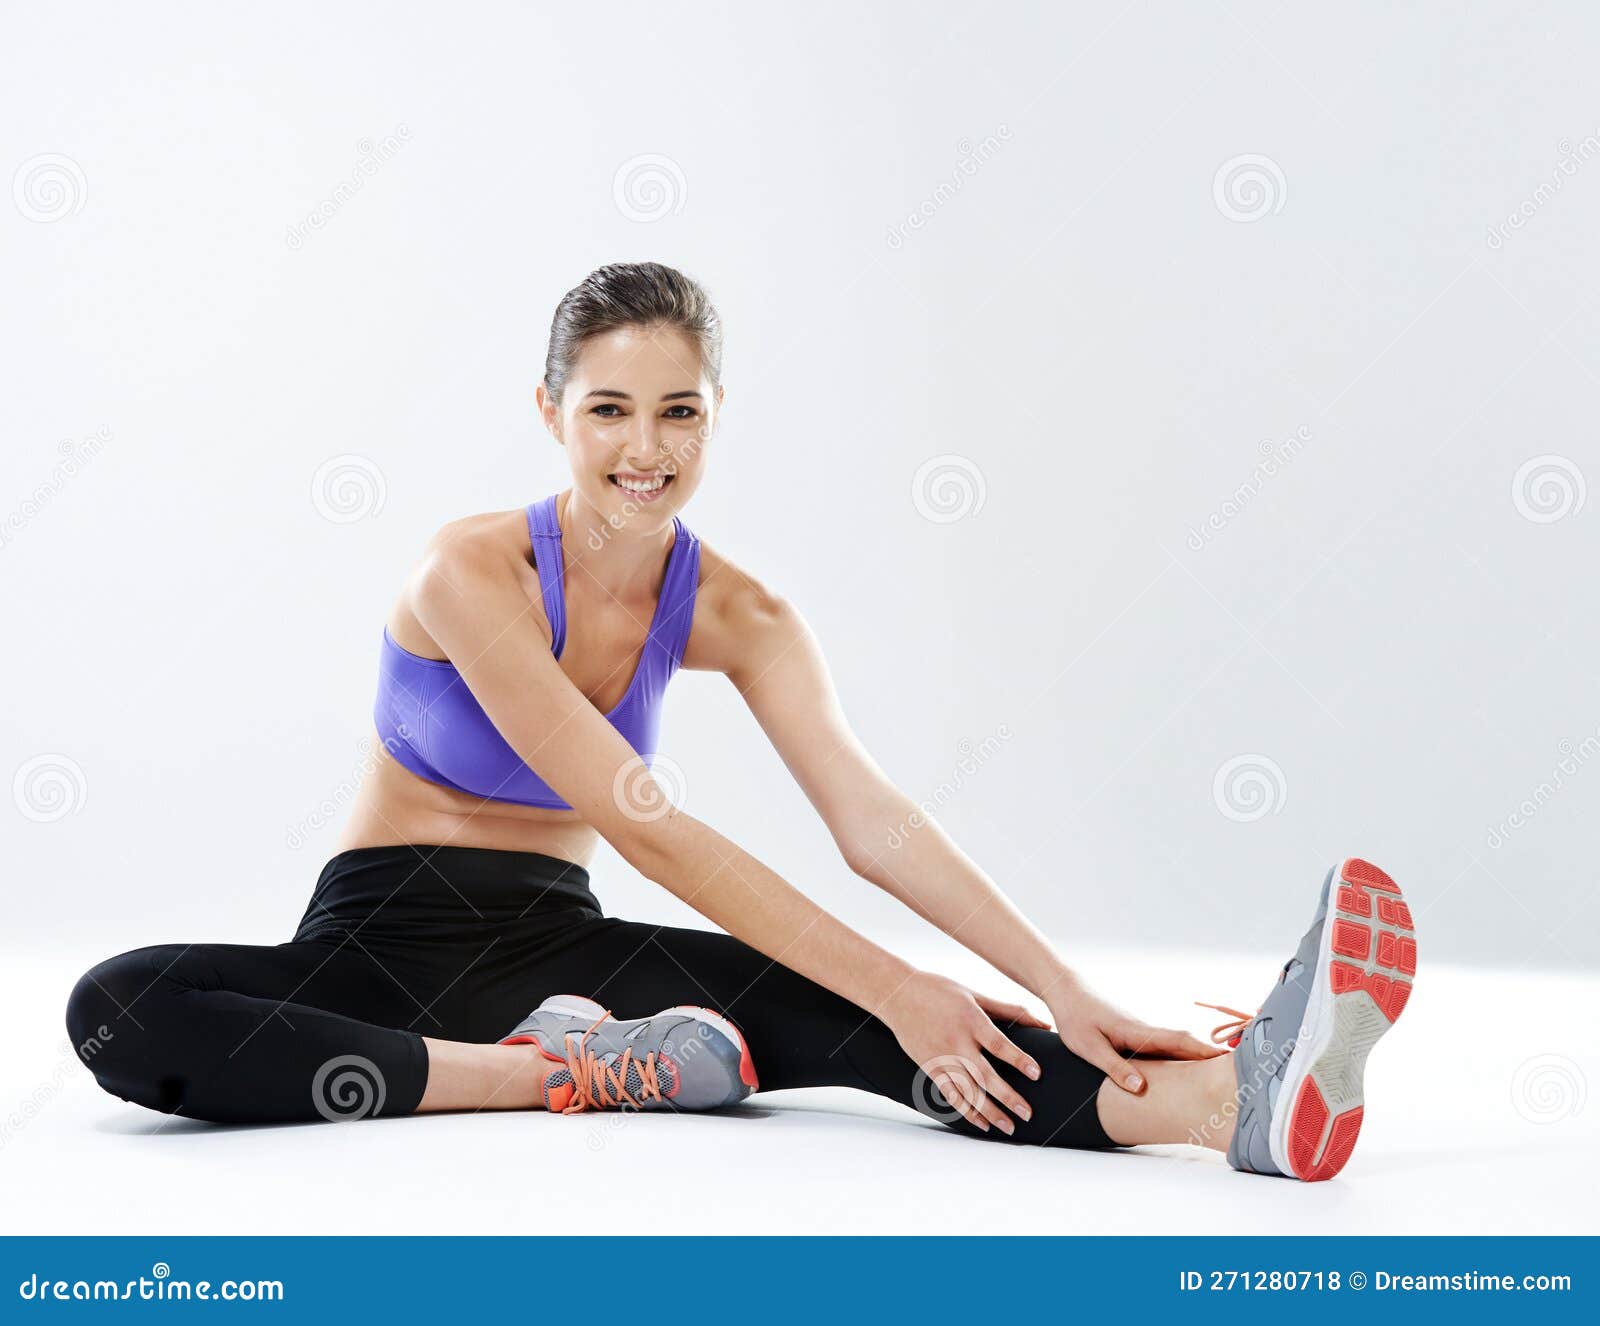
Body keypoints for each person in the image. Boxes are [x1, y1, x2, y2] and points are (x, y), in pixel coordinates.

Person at [65, 263, 1414, 1180]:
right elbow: (641, 824)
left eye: (678, 411)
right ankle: (552, 1077)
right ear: (550, 413)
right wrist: (892, 973)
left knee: (898, 1031)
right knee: (122, 1007)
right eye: (606, 409)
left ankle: (1237, 1105)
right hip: (374, 949)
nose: (641, 447)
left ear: (717, 418)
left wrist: (1063, 989)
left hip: (556, 948)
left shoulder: (745, 614)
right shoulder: (465, 573)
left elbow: (875, 822)